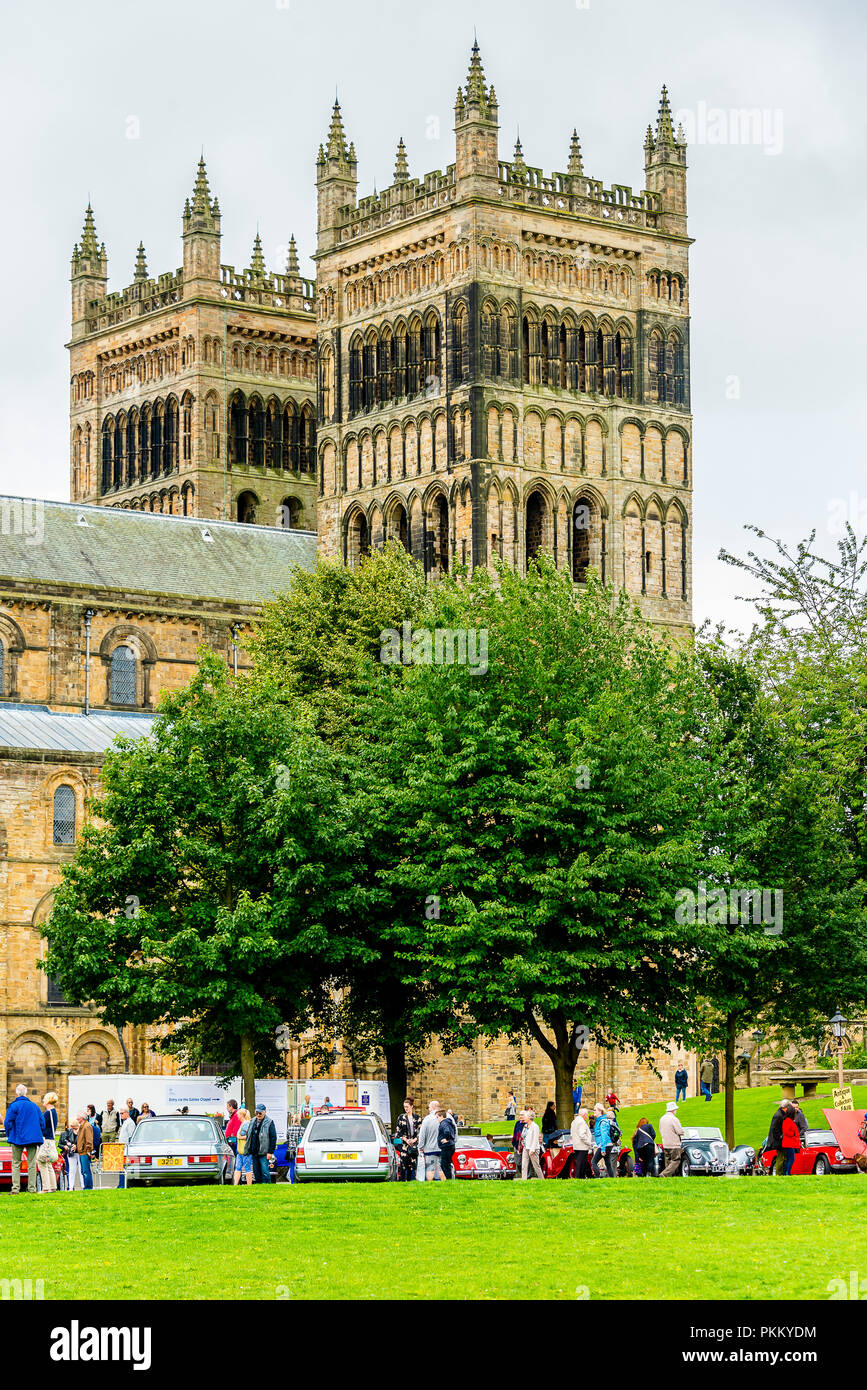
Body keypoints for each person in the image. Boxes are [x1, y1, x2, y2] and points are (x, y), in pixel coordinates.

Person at [5, 1084, 45, 1194]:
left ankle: (15, 1189)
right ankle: (32, 1188)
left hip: (17, 1137)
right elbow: (42, 1122)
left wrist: (9, 1134)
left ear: (17, 1093)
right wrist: (38, 1132)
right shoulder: (34, 1106)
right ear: (26, 1093)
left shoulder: (14, 1106)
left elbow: (7, 1122)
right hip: (33, 1138)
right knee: (32, 1163)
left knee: (16, 1163)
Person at [247, 1103, 277, 1184]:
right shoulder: (252, 1121)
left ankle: (268, 1186)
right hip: (254, 1151)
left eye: (260, 1113)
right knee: (256, 1171)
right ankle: (259, 1186)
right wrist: (248, 1149)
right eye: (257, 1112)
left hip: (264, 1152)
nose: (258, 1115)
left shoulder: (269, 1122)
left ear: (265, 1112)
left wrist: (270, 1152)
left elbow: (273, 1138)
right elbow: (249, 1135)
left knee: (265, 1171)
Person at [36, 1091, 60, 1193]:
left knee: (41, 1162)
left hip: (45, 1140)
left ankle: (45, 1187)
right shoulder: (53, 1112)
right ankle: (53, 1186)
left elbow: (41, 1127)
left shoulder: (47, 1113)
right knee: (48, 1163)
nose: (43, 1100)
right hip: (50, 1140)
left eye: (45, 1099)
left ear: (48, 1101)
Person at [417, 1100, 445, 1182]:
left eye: (429, 1107)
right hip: (443, 1147)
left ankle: (430, 1185)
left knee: (430, 1168)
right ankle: (445, 1184)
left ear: (433, 1107)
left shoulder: (427, 1118)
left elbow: (422, 1134)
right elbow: (455, 1130)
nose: (428, 1109)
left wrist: (420, 1146)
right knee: (442, 1168)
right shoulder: (447, 1116)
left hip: (430, 1149)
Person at [394, 1098, 420, 1181]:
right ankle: (402, 1182)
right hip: (404, 1146)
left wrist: (414, 1140)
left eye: (407, 1107)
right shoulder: (401, 1117)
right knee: (403, 1165)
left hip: (413, 1146)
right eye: (404, 1107)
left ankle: (412, 1181)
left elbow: (421, 1132)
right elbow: (398, 1132)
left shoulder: (417, 1118)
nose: (406, 1109)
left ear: (412, 1107)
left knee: (412, 1166)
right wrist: (406, 1140)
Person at [659, 1101, 684, 1176]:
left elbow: (660, 1130)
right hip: (674, 1144)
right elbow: (680, 1131)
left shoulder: (662, 1118)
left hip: (665, 1143)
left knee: (668, 1161)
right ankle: (664, 1174)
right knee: (676, 1160)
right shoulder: (674, 1119)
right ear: (673, 1110)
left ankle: (670, 1177)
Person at [115, 1106, 137, 1189]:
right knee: (121, 1167)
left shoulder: (130, 1123)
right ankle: (121, 1184)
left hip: (126, 1149)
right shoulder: (125, 1122)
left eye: (122, 1113)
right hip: (122, 1148)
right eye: (120, 1113)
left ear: (127, 1113)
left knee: (124, 1168)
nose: (120, 1115)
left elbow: (131, 1137)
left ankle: (123, 1185)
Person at [520, 1107, 544, 1180]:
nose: (524, 1118)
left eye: (526, 1117)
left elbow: (535, 1139)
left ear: (529, 1118)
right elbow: (523, 1136)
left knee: (536, 1165)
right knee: (524, 1165)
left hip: (533, 1148)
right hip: (526, 1147)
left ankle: (542, 1179)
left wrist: (532, 1149)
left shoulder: (535, 1126)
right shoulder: (525, 1126)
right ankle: (524, 1179)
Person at [569, 1106, 593, 1178]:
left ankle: (581, 1177)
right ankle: (579, 1177)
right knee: (581, 1164)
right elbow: (582, 1135)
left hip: (576, 1145)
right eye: (586, 1115)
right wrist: (588, 1142)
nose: (586, 1117)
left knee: (580, 1163)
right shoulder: (581, 1122)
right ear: (584, 1114)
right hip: (582, 1146)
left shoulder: (574, 1121)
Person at [766, 1101, 789, 1176]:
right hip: (778, 1141)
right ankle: (779, 1174)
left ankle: (780, 1173)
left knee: (782, 1157)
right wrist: (780, 1137)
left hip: (778, 1140)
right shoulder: (778, 1115)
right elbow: (774, 1129)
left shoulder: (779, 1114)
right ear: (784, 1108)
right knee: (780, 1158)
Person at [591, 1104, 613, 1178]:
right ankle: (612, 1179)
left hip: (604, 1145)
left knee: (593, 1162)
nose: (593, 1111)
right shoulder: (600, 1121)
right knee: (608, 1163)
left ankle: (597, 1177)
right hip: (607, 1145)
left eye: (595, 1110)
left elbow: (604, 1136)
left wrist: (603, 1149)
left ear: (600, 1111)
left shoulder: (602, 1122)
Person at [233, 1109, 253, 1186]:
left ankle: (249, 1185)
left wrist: (239, 1137)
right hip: (240, 1151)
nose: (237, 1116)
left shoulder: (246, 1124)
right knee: (237, 1168)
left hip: (245, 1150)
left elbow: (248, 1136)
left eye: (238, 1114)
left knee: (247, 1168)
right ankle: (235, 1184)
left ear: (242, 1115)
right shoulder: (243, 1123)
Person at [437, 1107, 457, 1179]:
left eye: (437, 1117)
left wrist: (447, 1139)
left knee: (444, 1164)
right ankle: (450, 1178)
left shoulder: (443, 1123)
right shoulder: (449, 1122)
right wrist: (452, 1138)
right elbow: (454, 1131)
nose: (437, 1119)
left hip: (446, 1146)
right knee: (447, 1163)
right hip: (451, 1145)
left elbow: (447, 1131)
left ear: (442, 1116)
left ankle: (449, 1179)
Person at [284, 1112, 304, 1184]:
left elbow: (287, 1138)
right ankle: (300, 1181)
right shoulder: (303, 1129)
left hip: (291, 1150)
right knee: (300, 1167)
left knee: (292, 1167)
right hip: (300, 1151)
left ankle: (292, 1182)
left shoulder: (289, 1129)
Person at [781, 1108, 802, 1175]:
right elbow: (786, 1132)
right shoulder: (788, 1121)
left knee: (789, 1158)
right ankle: (787, 1173)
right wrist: (793, 1134)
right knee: (791, 1158)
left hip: (788, 1143)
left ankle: (786, 1172)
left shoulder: (787, 1120)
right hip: (789, 1143)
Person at [224, 1099, 241, 1173]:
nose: (227, 1108)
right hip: (232, 1142)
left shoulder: (237, 1115)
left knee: (236, 1163)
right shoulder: (233, 1115)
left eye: (227, 1106)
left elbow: (236, 1129)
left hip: (234, 1142)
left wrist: (232, 1140)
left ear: (231, 1107)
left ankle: (237, 1181)